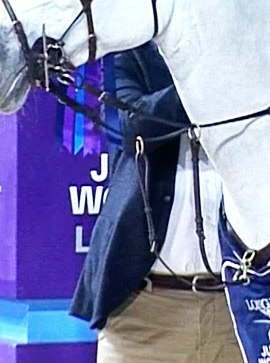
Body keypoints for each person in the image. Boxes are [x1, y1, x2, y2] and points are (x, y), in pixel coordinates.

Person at [70, 41, 241, 363]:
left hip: (238, 312)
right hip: (144, 315)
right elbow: (130, 126)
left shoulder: (258, 54)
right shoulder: (133, 52)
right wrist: (207, 79)